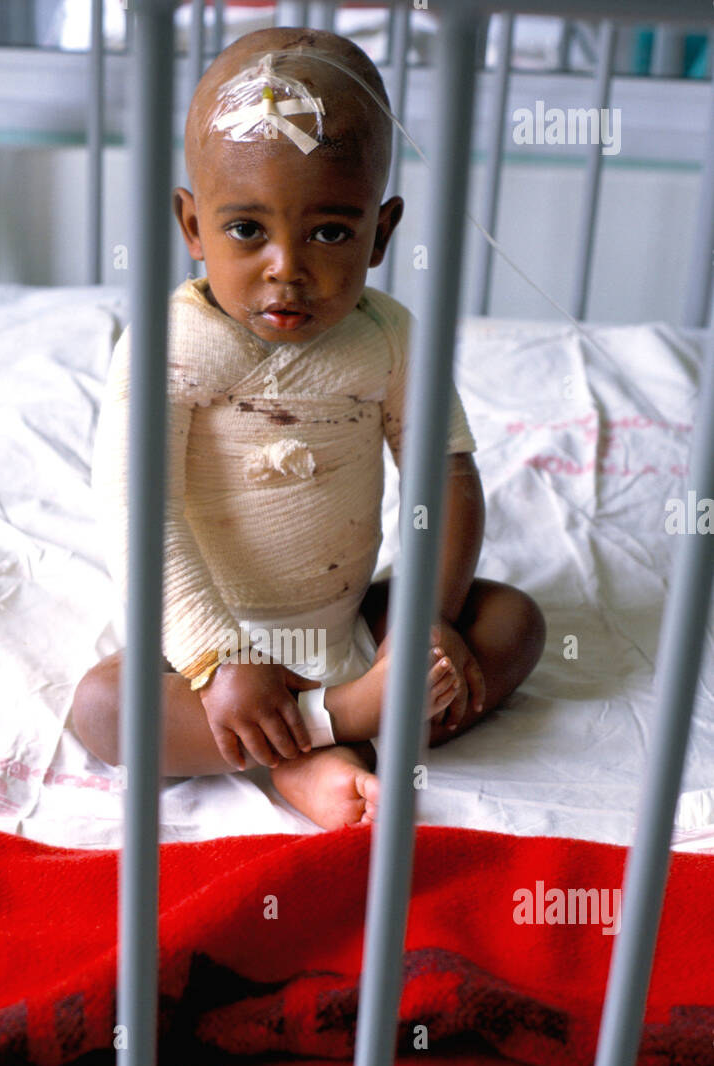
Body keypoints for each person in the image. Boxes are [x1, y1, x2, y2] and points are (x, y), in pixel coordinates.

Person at [73, 27, 545, 830]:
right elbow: (136, 512)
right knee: (103, 710)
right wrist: (223, 659)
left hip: (341, 616)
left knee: (512, 624)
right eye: (246, 230)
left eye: (329, 232)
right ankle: (334, 732)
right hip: (201, 641)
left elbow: (445, 477)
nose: (285, 266)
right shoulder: (171, 347)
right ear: (192, 227)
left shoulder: (387, 336)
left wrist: (420, 626)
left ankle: (303, 734)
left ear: (381, 232)